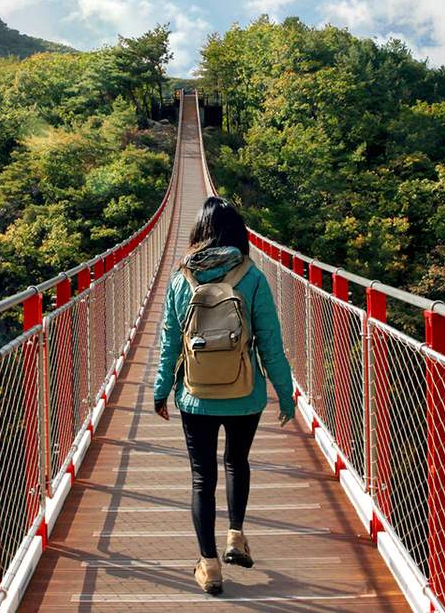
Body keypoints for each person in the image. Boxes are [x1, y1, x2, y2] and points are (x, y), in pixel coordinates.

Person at [152, 196, 296, 595]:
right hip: (244, 392)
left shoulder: (181, 278)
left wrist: (160, 389)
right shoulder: (252, 277)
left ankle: (209, 566)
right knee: (237, 462)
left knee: (202, 477)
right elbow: (270, 343)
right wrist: (285, 395)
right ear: (238, 232)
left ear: (198, 230)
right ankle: (236, 536)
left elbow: (168, 342)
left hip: (195, 393)